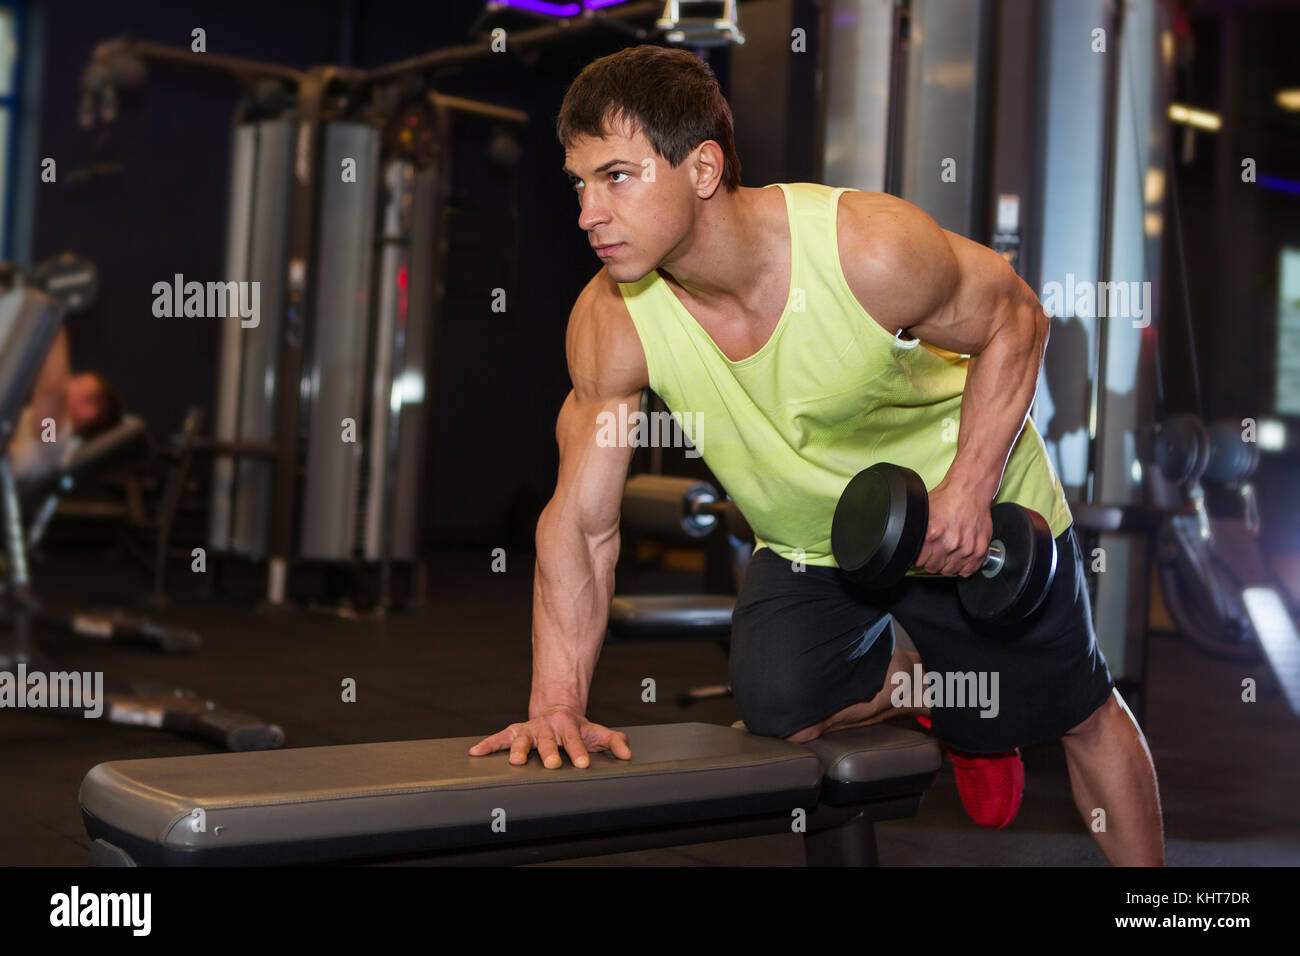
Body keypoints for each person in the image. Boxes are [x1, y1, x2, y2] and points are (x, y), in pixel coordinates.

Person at [470, 45, 1164, 865]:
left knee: (1077, 712)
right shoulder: (612, 320)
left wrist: (970, 490)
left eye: (616, 177)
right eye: (579, 183)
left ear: (701, 169)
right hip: (814, 543)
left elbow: (1017, 318)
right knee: (776, 713)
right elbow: (581, 524)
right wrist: (557, 701)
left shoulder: (864, 250)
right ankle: (941, 691)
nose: (589, 211)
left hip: (967, 517)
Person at [9, 328, 123, 481]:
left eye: (79, 383)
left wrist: (54, 317)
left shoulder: (54, 440)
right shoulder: (33, 421)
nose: (69, 381)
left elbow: (52, 389)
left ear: (88, 411)